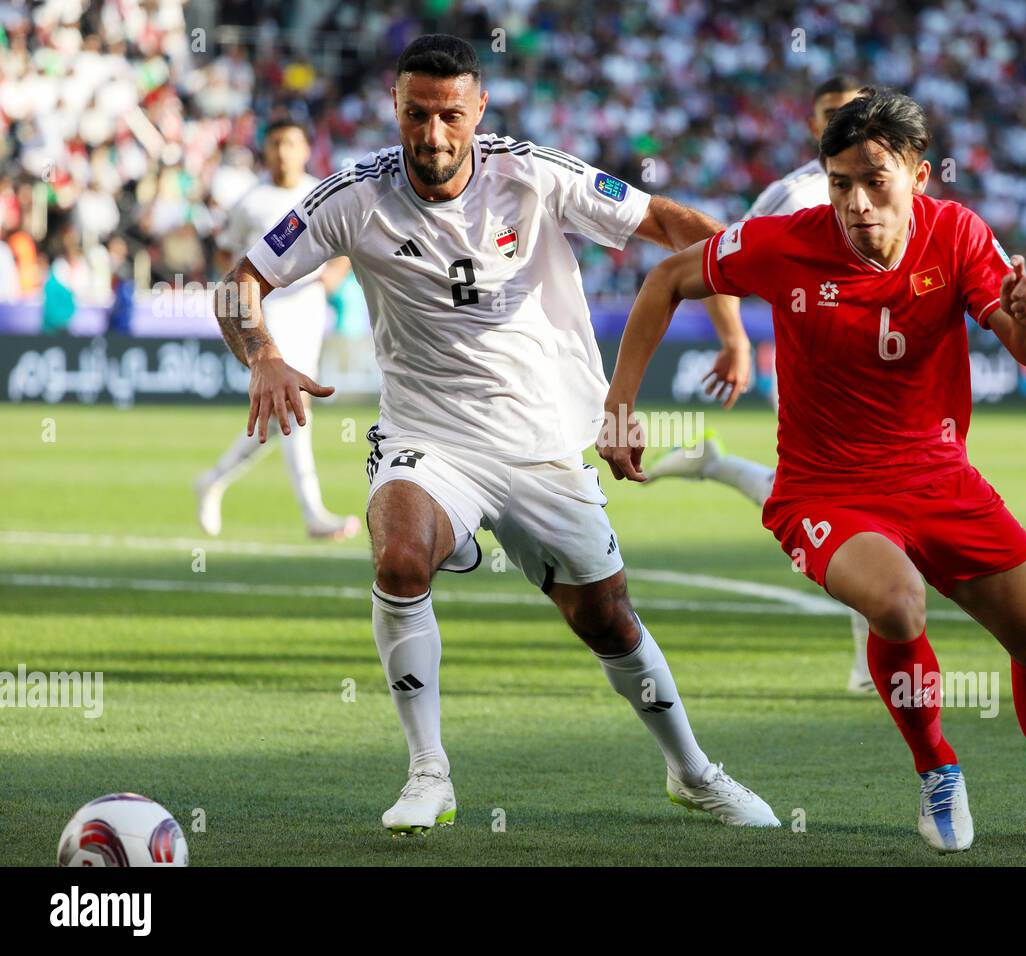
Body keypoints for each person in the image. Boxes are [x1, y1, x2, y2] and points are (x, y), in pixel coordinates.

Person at [212, 35, 776, 834]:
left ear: (479, 110)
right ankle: (428, 771)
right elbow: (240, 283)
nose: (433, 135)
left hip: (540, 439)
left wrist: (735, 333)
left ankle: (693, 771)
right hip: (428, 434)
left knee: (607, 620)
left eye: (450, 115)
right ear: (395, 110)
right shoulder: (353, 197)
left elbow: (676, 223)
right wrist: (263, 354)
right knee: (400, 555)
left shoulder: (533, 174)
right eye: (416, 114)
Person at [600, 88, 1026, 852]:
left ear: (919, 176)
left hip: (939, 479)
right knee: (897, 604)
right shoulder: (784, 240)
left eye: (874, 180)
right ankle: (937, 768)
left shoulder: (957, 235)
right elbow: (666, 279)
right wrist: (620, 402)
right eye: (839, 183)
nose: (856, 203)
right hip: (824, 489)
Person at [645, 76, 880, 694]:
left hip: (887, 375)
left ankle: (715, 466)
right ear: (813, 126)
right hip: (817, 376)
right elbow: (714, 256)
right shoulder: (794, 193)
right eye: (834, 114)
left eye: (858, 110)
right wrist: (737, 341)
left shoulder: (895, 186)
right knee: (862, 514)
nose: (848, 121)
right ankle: (869, 665)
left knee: (853, 511)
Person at [196, 119, 359, 540]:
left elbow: (347, 244)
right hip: (271, 314)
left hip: (310, 308)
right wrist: (239, 316)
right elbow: (231, 262)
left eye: (291, 143)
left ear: (306, 149)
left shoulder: (320, 191)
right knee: (292, 406)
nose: (283, 152)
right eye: (275, 144)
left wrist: (334, 274)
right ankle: (313, 514)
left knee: (275, 418)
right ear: (265, 151)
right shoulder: (251, 201)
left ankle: (213, 479)